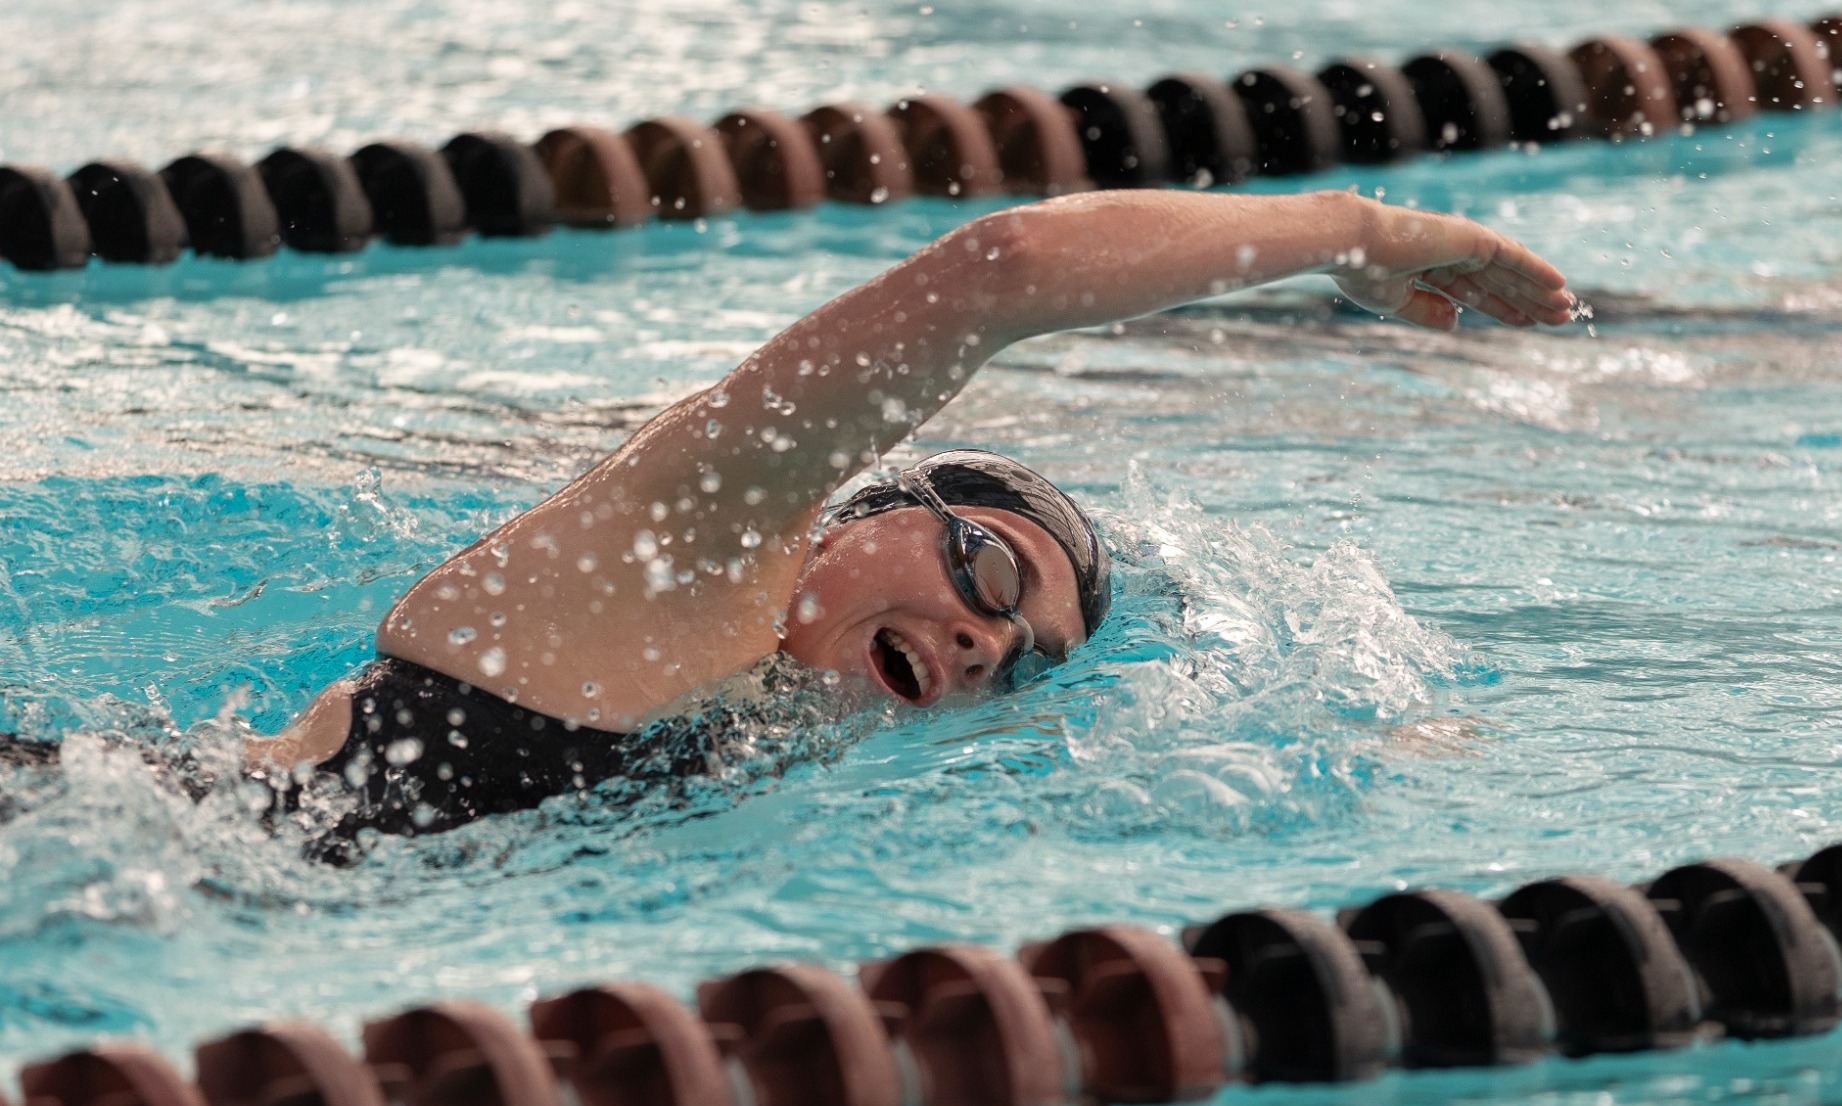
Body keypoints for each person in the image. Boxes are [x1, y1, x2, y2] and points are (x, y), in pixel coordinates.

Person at [234, 189, 1567, 842]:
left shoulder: (750, 764)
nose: (991, 644)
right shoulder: (694, 548)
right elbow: (1001, 271)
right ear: (867, 506)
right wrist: (1349, 229)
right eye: (989, 570)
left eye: (1023, 656)